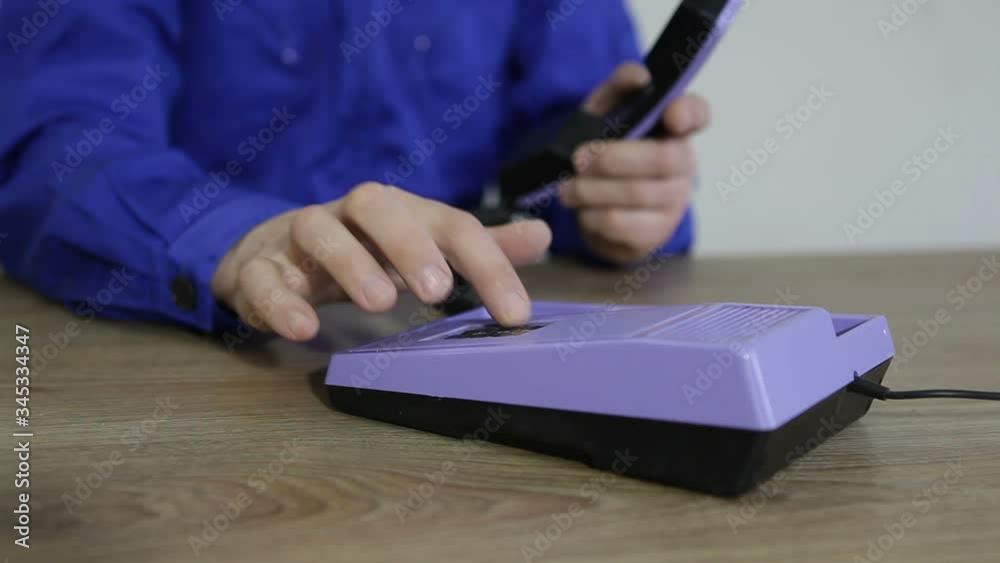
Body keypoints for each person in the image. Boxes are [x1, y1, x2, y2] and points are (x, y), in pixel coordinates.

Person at [0, 1, 709, 342]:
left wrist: (622, 200)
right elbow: (54, 152)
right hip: (206, 364)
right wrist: (237, 240)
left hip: (476, 345)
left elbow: (567, 160)